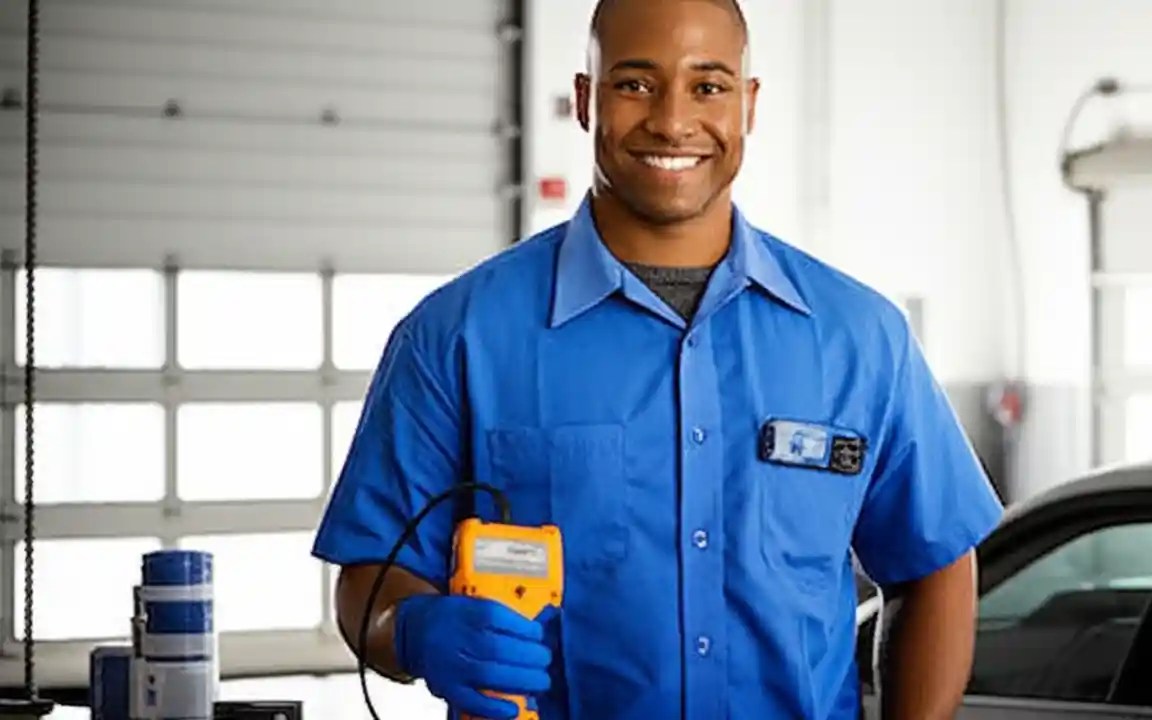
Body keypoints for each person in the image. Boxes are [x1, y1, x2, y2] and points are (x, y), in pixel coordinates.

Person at [310, 0, 1005, 718]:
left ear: (748, 104)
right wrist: (412, 629)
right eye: (635, 84)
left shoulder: (861, 338)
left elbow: (935, 567)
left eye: (708, 86)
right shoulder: (456, 335)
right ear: (586, 99)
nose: (673, 121)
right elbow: (368, 581)